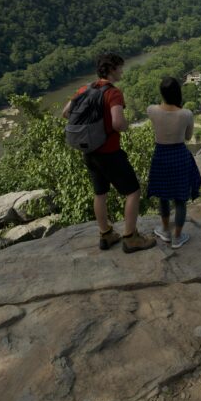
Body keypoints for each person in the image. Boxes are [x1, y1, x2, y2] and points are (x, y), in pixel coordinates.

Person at [62, 53, 155, 253]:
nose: (122, 71)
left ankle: (106, 234)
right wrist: (125, 126)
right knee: (133, 191)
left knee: (100, 193)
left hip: (89, 151)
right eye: (120, 68)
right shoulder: (113, 93)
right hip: (109, 151)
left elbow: (65, 113)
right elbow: (117, 123)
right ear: (112, 69)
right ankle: (130, 238)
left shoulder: (84, 88)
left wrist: (89, 128)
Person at [146, 76, 201, 248]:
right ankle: (177, 237)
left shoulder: (152, 110)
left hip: (161, 155)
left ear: (162, 93)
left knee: (163, 196)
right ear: (178, 93)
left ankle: (164, 230)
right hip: (179, 156)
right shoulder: (186, 114)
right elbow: (187, 137)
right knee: (180, 199)